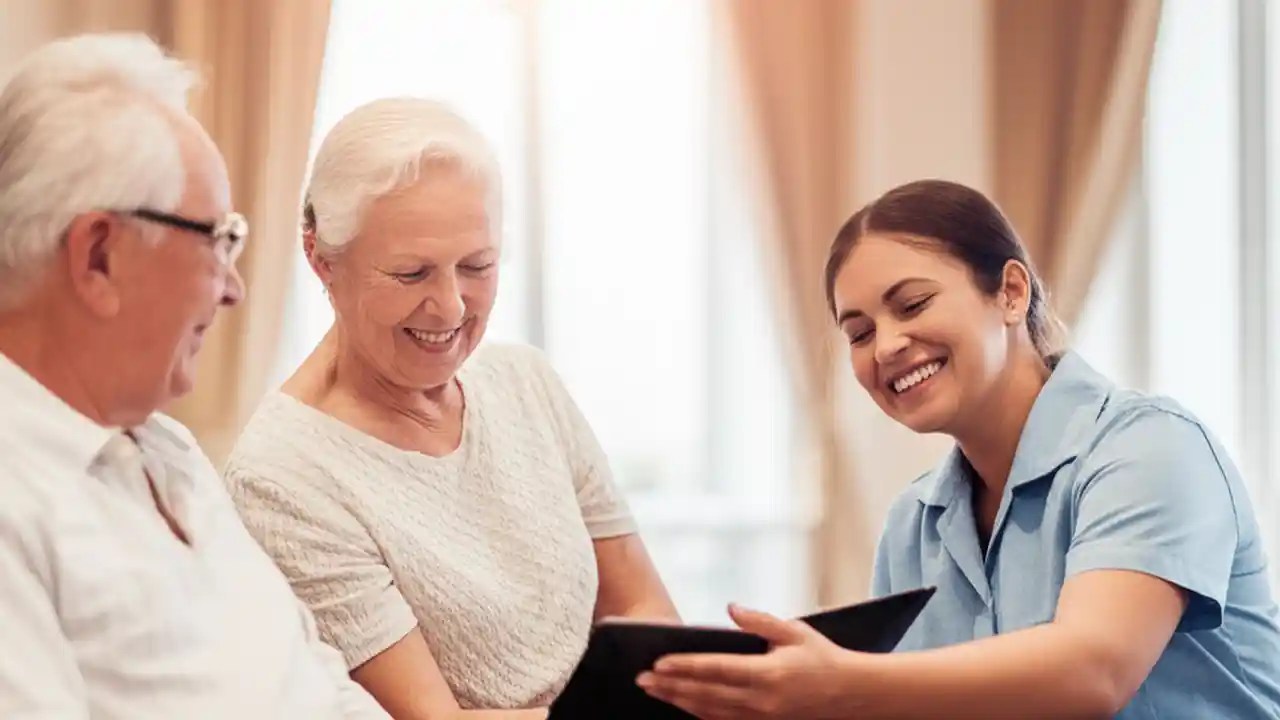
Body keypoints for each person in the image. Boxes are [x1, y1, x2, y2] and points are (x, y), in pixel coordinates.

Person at [637, 179, 1280, 719]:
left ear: (1011, 293)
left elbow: (1094, 672)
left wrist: (843, 685)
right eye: (859, 334)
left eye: (913, 304)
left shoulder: (1150, 447)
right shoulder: (913, 524)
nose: (887, 346)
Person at [223, 97, 679, 719]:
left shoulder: (526, 383)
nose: (452, 307)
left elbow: (648, 618)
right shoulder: (282, 476)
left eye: (476, 266)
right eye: (411, 274)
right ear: (321, 258)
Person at [0, 34, 390, 719]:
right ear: (99, 257)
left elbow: (320, 680)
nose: (234, 287)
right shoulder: (17, 502)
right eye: (217, 241)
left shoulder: (170, 451)